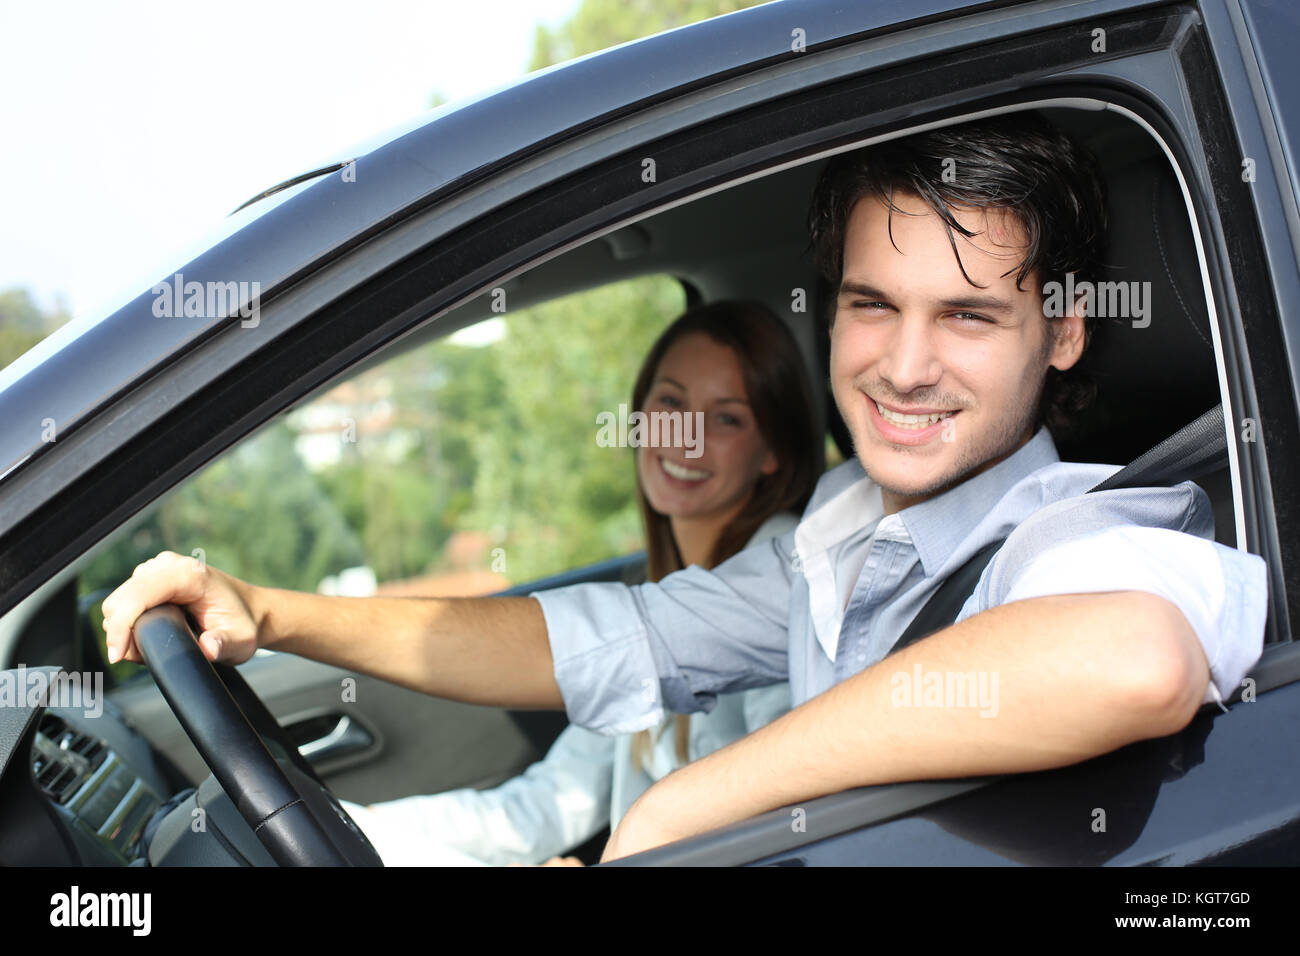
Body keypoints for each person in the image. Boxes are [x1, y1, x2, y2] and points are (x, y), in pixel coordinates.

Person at [102, 113, 1268, 863]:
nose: (905, 364)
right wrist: (274, 608)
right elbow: (597, 637)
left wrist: (679, 808)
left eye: (968, 315)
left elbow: (1132, 657)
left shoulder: (1081, 526)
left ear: (1062, 332)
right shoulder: (834, 537)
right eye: (872, 305)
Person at [336, 301, 820, 865]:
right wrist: (358, 829)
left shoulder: (778, 575)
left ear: (774, 452)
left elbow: (788, 818)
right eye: (670, 403)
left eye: (727, 418)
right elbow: (549, 803)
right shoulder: (666, 597)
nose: (685, 438)